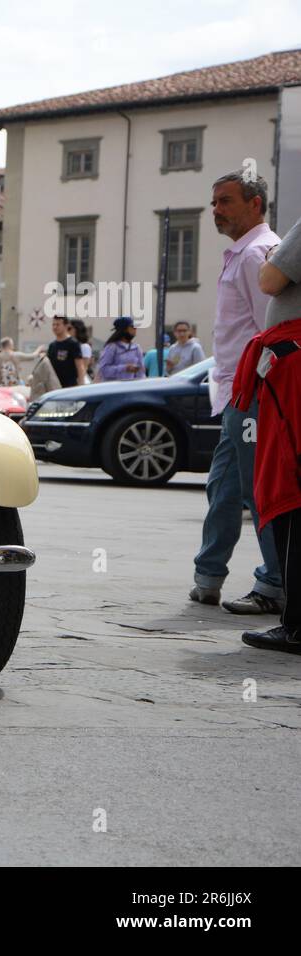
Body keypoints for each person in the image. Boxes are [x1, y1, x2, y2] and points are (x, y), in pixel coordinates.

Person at [190, 170, 283, 616]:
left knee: (259, 491)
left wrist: (258, 391)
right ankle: (208, 576)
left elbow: (271, 330)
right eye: (214, 203)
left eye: (226, 201)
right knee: (224, 487)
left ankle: (276, 583)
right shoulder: (243, 253)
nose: (216, 211)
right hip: (235, 393)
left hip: (251, 393)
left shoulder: (256, 255)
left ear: (255, 205)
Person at [240, 215, 301, 653]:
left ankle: (297, 626)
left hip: (294, 365)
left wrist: (269, 261)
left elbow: (271, 279)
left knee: (290, 490)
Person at [97, 317, 146, 381]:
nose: (135, 329)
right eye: (133, 327)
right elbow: (103, 370)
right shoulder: (111, 347)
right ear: (124, 329)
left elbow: (141, 372)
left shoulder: (137, 348)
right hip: (113, 389)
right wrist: (124, 368)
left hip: (131, 389)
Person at [45, 315, 87, 389]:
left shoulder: (73, 343)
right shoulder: (52, 345)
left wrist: (81, 386)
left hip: (70, 387)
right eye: (53, 325)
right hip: (54, 387)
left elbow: (80, 367)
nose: (55, 327)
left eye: (58, 324)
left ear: (66, 326)